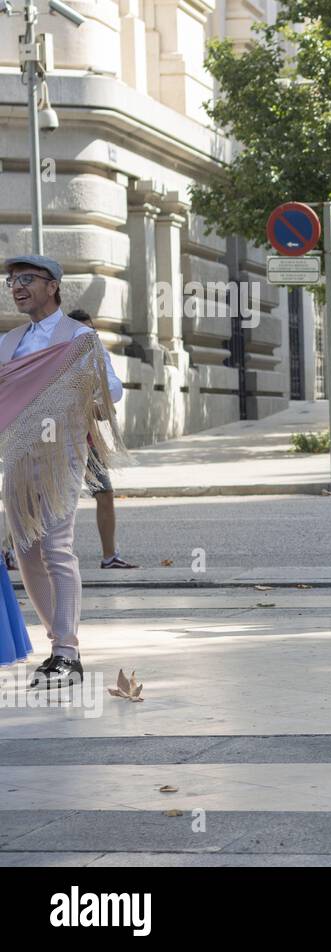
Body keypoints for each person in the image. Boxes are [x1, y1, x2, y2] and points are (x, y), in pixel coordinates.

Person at [0, 254, 125, 689]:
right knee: (28, 552)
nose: (17, 287)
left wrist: (67, 398)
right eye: (12, 280)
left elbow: (111, 391)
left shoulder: (80, 338)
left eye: (27, 279)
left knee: (57, 548)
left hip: (61, 454)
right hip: (17, 457)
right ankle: (57, 646)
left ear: (53, 285)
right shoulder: (10, 340)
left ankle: (68, 653)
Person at [66, 309, 136, 569]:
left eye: (91, 333)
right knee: (46, 501)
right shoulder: (57, 359)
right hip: (58, 443)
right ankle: (11, 550)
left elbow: (112, 388)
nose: (89, 339)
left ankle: (110, 557)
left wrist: (100, 405)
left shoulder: (96, 356)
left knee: (104, 492)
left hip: (87, 440)